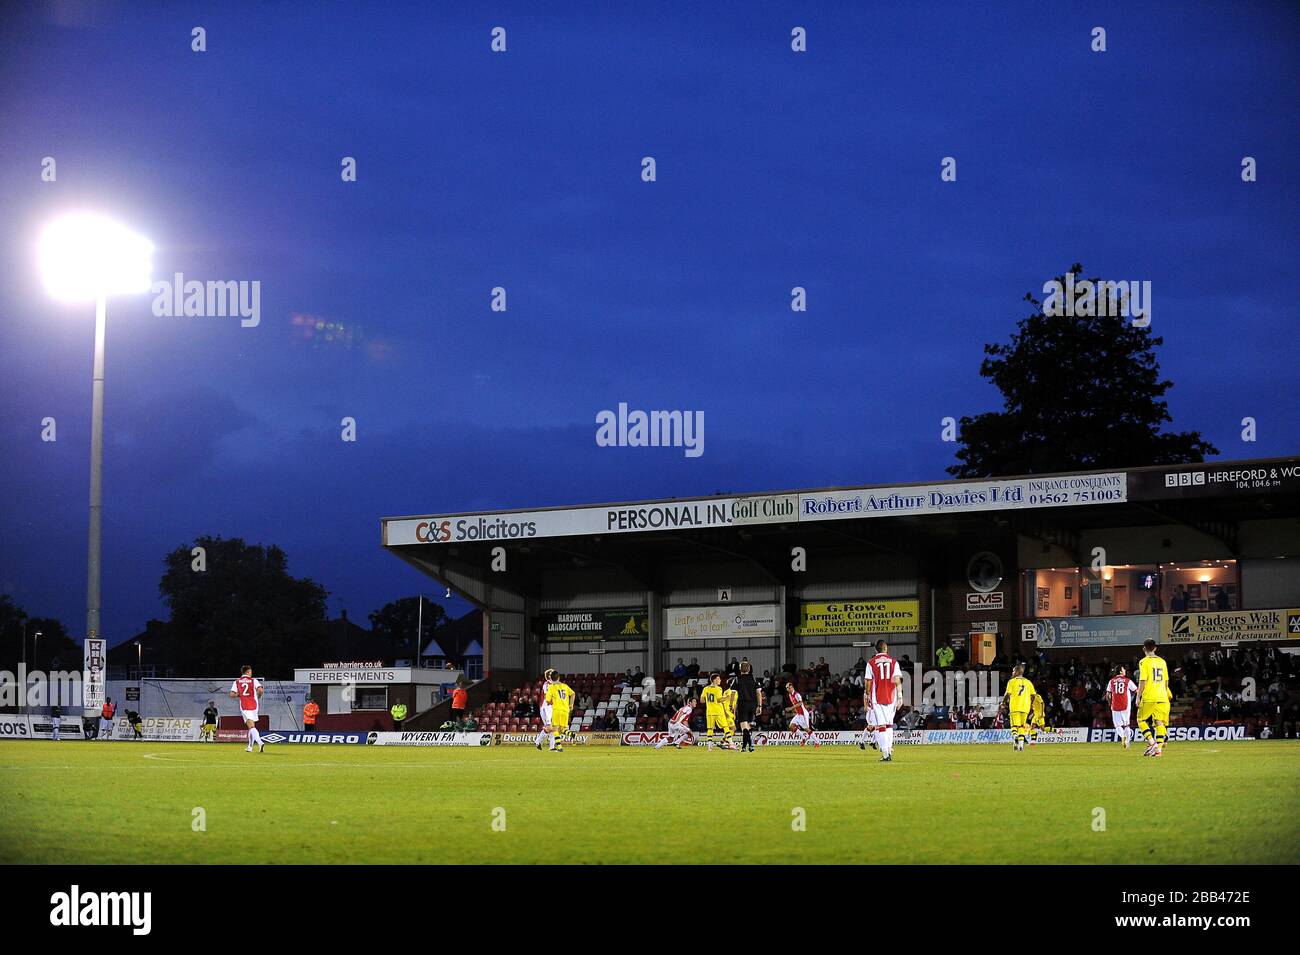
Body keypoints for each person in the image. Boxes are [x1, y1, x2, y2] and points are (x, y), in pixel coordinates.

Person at [859, 639, 902, 761]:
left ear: (875, 650)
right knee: (889, 725)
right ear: (886, 648)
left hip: (878, 697)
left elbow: (867, 681)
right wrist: (900, 696)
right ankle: (888, 750)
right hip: (892, 697)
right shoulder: (894, 662)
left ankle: (885, 755)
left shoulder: (871, 663)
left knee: (881, 726)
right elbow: (897, 680)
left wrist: (867, 695)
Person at [1136, 639, 1172, 757]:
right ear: (1155, 648)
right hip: (1162, 696)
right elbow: (1166, 682)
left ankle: (1152, 743)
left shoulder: (1143, 662)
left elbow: (1143, 681)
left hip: (1149, 696)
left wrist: (1138, 696)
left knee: (1141, 720)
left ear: (1144, 648)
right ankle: (1159, 750)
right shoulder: (1163, 661)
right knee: (1159, 722)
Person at [229, 665, 267, 753]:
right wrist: (259, 696)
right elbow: (260, 690)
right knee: (251, 726)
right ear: (248, 671)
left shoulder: (237, 682)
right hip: (254, 705)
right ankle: (250, 747)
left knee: (251, 726)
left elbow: (231, 694)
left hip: (245, 705)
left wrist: (240, 694)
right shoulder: (254, 680)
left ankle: (260, 742)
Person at [1001, 664, 1038, 752]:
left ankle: (1015, 737)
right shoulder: (1028, 682)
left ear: (1018, 671)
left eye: (1013, 671)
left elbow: (1007, 694)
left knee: (1014, 726)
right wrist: (1030, 704)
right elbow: (1033, 695)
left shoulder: (1012, 681)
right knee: (1022, 726)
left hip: (1015, 706)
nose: (1012, 672)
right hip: (1025, 707)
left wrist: (1003, 702)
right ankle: (1021, 745)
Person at [733, 661, 763, 752]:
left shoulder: (737, 679)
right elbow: (759, 693)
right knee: (748, 727)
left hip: (742, 705)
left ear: (739, 669)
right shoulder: (754, 679)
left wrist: (731, 705)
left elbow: (733, 693)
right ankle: (746, 747)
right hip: (752, 705)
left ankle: (749, 746)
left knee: (744, 728)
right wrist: (760, 706)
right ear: (749, 669)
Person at [1105, 666, 1138, 749]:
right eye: (1123, 669)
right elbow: (1136, 691)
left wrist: (1110, 703)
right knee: (1126, 725)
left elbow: (1108, 695)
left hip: (1115, 705)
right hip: (1125, 705)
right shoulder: (1127, 681)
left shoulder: (1111, 681)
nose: (1125, 671)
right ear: (1120, 672)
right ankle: (1127, 742)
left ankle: (1122, 736)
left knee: (1117, 726)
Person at [542, 673, 573, 752]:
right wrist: (571, 705)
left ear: (551, 679)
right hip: (566, 710)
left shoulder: (551, 687)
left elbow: (548, 700)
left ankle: (559, 747)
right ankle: (570, 734)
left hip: (557, 710)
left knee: (555, 729)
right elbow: (573, 694)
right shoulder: (565, 686)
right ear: (559, 677)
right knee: (562, 729)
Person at [700, 673, 731, 750]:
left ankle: (709, 746)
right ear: (715, 680)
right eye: (718, 679)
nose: (720, 680)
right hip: (718, 711)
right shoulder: (719, 689)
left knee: (710, 729)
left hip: (710, 711)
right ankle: (731, 743)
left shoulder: (705, 689)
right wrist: (727, 697)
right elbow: (719, 700)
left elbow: (702, 700)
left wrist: (709, 701)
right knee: (725, 726)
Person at [784, 681, 819, 746]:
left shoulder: (797, 694)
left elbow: (800, 703)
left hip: (803, 714)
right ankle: (804, 738)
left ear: (791, 688)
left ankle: (817, 742)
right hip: (799, 714)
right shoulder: (790, 695)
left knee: (806, 729)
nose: (787, 689)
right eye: (787, 688)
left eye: (788, 687)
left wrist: (791, 708)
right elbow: (796, 705)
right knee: (791, 726)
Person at [534, 668, 556, 750]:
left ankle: (552, 747)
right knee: (550, 727)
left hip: (548, 707)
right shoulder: (548, 684)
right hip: (547, 707)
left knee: (552, 727)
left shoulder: (551, 684)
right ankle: (538, 741)